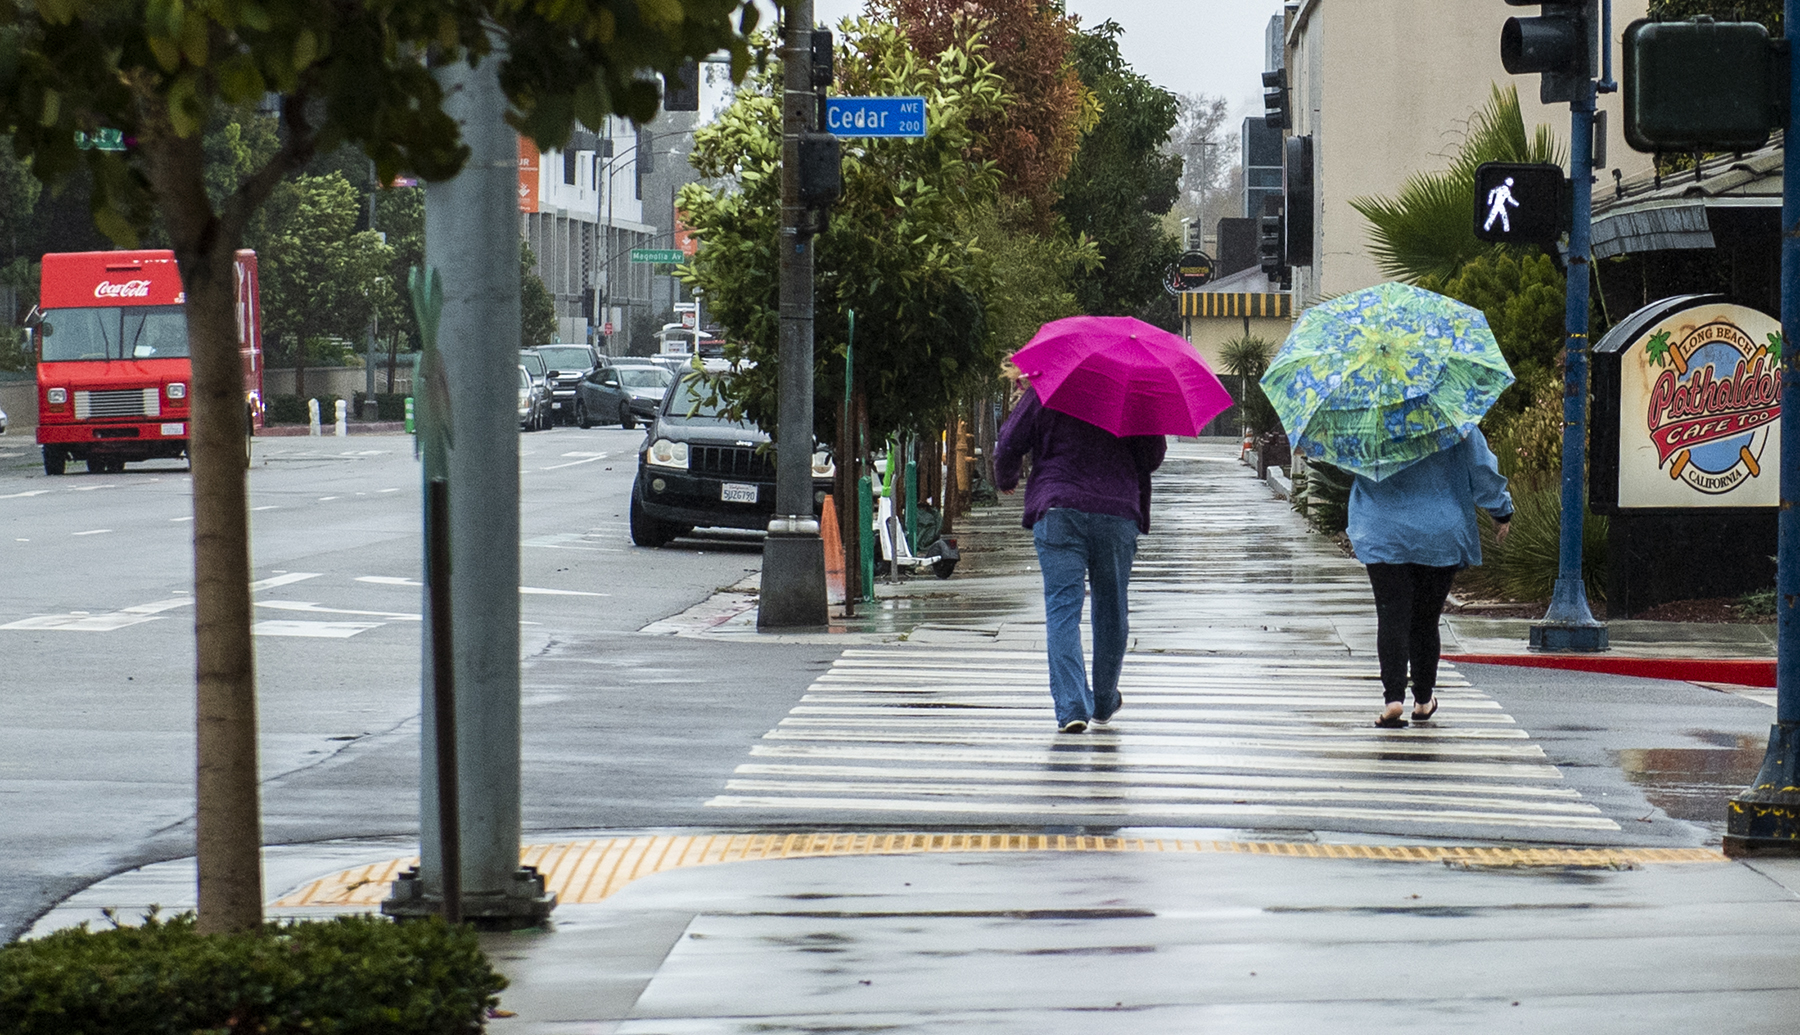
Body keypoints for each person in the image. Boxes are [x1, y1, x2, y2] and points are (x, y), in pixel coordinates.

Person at [995, 382, 1166, 734]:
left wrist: (1006, 477)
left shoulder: (1050, 387)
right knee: (1111, 606)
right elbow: (1152, 457)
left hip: (1059, 507)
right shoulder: (1132, 393)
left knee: (1062, 608)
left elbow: (1010, 440)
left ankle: (1072, 706)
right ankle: (1103, 699)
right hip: (1116, 511)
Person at [1347, 427, 1512, 728]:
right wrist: (1500, 510)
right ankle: (1423, 700)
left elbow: (1345, 458)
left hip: (1382, 529)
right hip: (1439, 529)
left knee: (1392, 615)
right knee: (1425, 620)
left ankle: (1393, 699)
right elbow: (1481, 467)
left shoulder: (1363, 417)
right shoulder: (1453, 416)